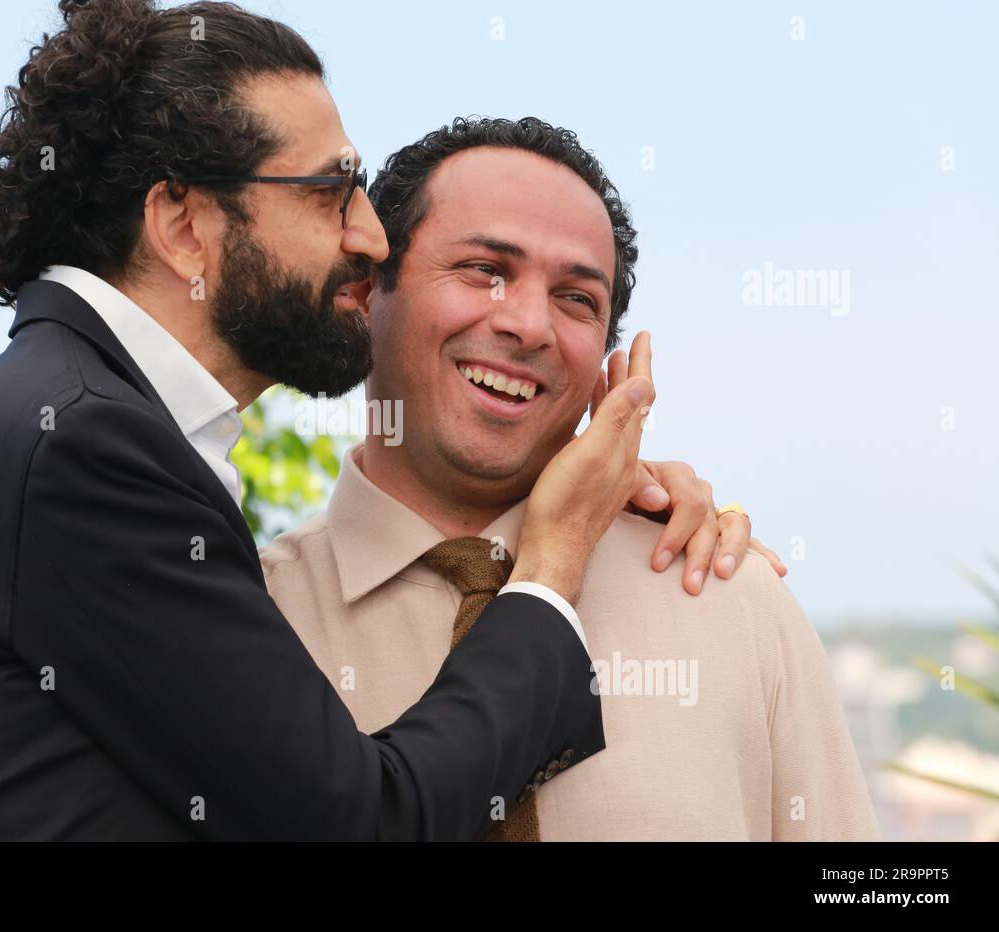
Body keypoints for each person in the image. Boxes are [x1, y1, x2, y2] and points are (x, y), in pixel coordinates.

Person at [0, 0, 738, 841]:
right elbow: (361, 824)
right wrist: (551, 565)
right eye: (331, 193)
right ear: (181, 222)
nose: (371, 238)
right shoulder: (81, 445)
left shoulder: (64, 416)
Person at [262, 117, 879, 840]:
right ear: (366, 292)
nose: (529, 325)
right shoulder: (247, 619)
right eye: (485, 270)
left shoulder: (734, 603)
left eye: (577, 299)